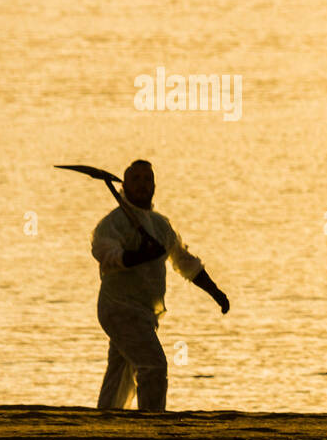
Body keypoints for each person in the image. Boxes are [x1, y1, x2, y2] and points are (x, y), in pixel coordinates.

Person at [90, 160, 229, 411]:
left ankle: (106, 418)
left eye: (147, 179)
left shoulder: (161, 225)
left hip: (144, 312)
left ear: (154, 185)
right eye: (136, 179)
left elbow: (185, 262)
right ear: (124, 185)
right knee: (153, 365)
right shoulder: (113, 223)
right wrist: (139, 255)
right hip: (119, 309)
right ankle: (152, 422)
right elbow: (105, 253)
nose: (142, 185)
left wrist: (216, 292)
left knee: (121, 369)